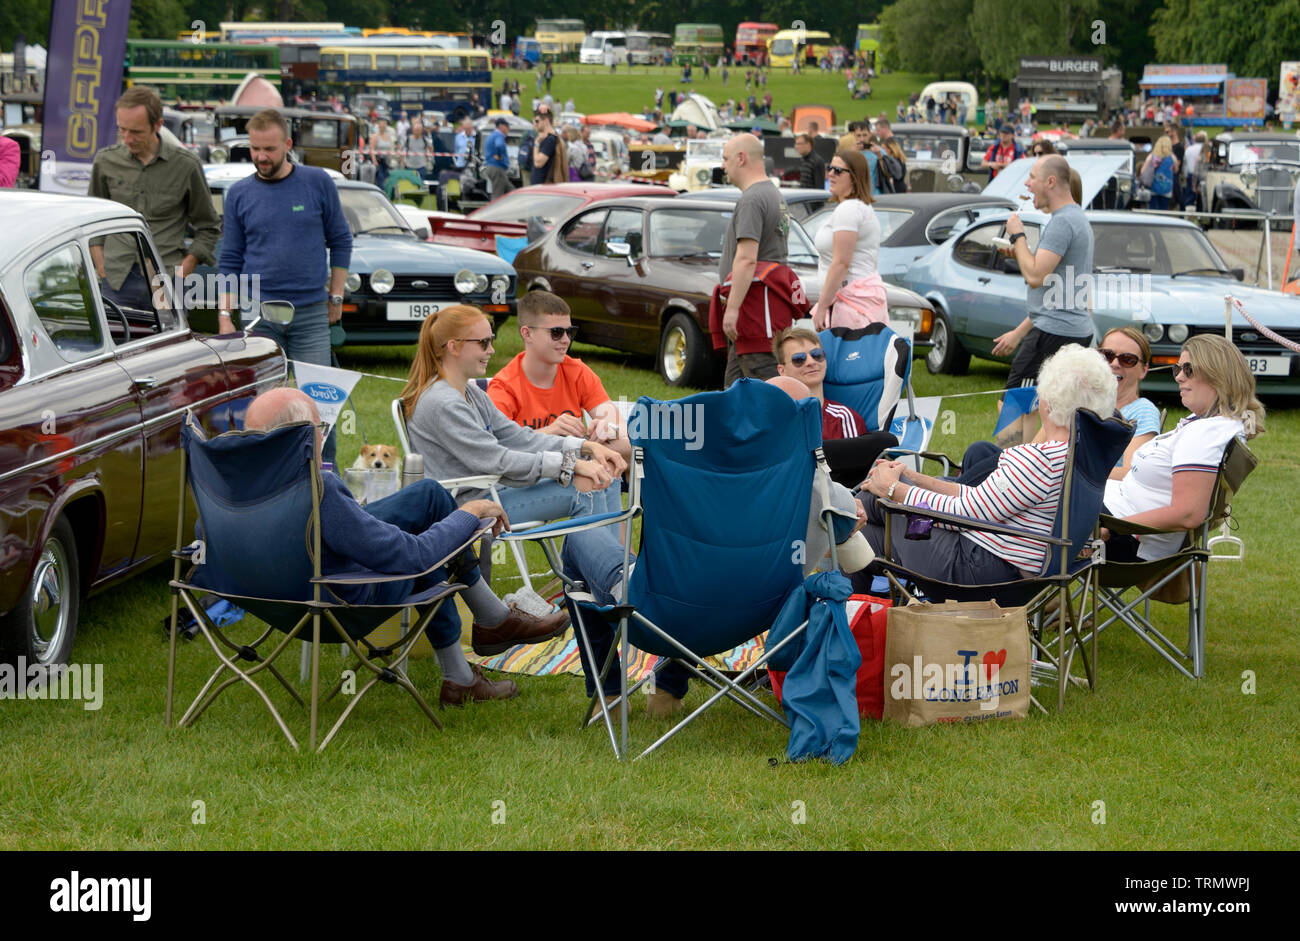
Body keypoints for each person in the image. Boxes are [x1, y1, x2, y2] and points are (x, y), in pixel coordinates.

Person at [558, 374, 872, 718]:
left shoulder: (689, 464)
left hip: (651, 615)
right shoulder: (827, 493)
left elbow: (636, 441)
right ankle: (665, 689)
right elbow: (847, 526)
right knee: (708, 576)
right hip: (757, 614)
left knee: (581, 538)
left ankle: (610, 696)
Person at [244, 388, 569, 705]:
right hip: (344, 599)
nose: (323, 437)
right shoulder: (319, 491)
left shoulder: (234, 493)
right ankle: (481, 638)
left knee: (428, 496)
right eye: (321, 429)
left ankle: (479, 643)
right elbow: (415, 557)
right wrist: (468, 515)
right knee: (433, 534)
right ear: (300, 437)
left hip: (279, 598)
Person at [858, 345, 1116, 588]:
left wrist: (894, 490)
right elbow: (981, 499)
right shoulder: (1081, 458)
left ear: (1047, 401)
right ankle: (861, 615)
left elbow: (962, 516)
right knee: (868, 536)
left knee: (873, 502)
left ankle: (842, 612)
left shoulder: (1039, 460)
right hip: (1016, 570)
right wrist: (914, 478)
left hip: (975, 569)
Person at [401, 305, 626, 530]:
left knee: (602, 474)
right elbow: (499, 460)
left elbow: (519, 438)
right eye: (483, 343)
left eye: (492, 340)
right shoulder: (444, 403)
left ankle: (615, 561)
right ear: (454, 347)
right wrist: (570, 464)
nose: (491, 351)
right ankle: (607, 564)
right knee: (589, 485)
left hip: (492, 489)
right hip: (466, 506)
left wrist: (586, 447)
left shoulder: (471, 393)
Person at [217, 109, 351, 465]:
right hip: (257, 317)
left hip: (310, 315)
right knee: (259, 406)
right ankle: (265, 479)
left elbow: (340, 240)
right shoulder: (239, 194)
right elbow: (229, 258)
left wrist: (335, 295)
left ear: (288, 145)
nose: (261, 157)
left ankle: (326, 480)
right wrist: (225, 315)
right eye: (255, 149)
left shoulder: (317, 182)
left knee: (323, 407)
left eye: (270, 149)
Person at [1103, 334, 1265, 562]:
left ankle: (1043, 594)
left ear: (1217, 375)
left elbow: (1188, 513)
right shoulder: (1209, 423)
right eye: (1178, 369)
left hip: (1124, 535)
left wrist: (1112, 528)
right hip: (1115, 514)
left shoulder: (1207, 433)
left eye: (1188, 369)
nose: (1178, 377)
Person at [89, 86, 220, 310]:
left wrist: (183, 271)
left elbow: (209, 227)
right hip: (116, 280)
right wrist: (100, 265)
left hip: (168, 280)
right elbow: (92, 220)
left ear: (158, 125)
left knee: (171, 347)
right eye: (122, 130)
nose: (128, 138)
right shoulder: (105, 162)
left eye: (136, 132)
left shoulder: (186, 165)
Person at [488, 291, 631, 464]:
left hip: (575, 467)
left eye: (570, 332)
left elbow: (620, 427)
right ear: (527, 334)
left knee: (628, 447)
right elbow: (494, 449)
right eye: (556, 332)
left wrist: (608, 427)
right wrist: (550, 432)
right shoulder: (504, 386)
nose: (566, 340)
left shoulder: (577, 371)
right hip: (532, 475)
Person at [993, 155, 1095, 389]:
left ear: (1050, 182)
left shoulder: (1062, 223)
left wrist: (1018, 235)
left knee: (1014, 407)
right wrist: (1021, 252)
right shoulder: (1075, 218)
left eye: (1031, 177)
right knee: (1048, 408)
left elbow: (1036, 277)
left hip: (1053, 331)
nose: (1027, 184)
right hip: (1068, 330)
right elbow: (1050, 280)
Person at [774, 326, 898, 488]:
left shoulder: (843, 417)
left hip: (835, 498)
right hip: (788, 491)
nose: (811, 362)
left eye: (817, 355)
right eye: (799, 359)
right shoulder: (776, 417)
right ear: (782, 370)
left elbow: (858, 474)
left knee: (885, 440)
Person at [715, 133, 793, 386]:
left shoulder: (752, 199)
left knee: (766, 392)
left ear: (741, 158)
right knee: (734, 395)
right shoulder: (772, 194)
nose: (722, 166)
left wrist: (733, 308)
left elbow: (747, 259)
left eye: (725, 159)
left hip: (754, 313)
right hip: (762, 313)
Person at [809, 150, 884, 331]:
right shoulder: (856, 208)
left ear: (854, 176)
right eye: (830, 168)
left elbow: (841, 263)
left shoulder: (849, 209)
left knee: (847, 359)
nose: (830, 174)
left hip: (852, 305)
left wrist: (822, 306)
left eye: (838, 170)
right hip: (854, 302)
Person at [1099, 327, 1162, 478]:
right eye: (1107, 355)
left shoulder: (1142, 411)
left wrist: (1069, 472)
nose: (1114, 363)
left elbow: (1131, 472)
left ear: (1143, 370)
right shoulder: (1080, 400)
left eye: (1127, 359)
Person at [528, 106, 566, 185]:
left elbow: (538, 163)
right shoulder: (547, 138)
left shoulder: (550, 139)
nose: (535, 124)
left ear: (546, 121)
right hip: (541, 187)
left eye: (537, 121)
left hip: (543, 188)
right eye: (534, 121)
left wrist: (537, 143)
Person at [1142, 136, 1176, 211]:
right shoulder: (1172, 157)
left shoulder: (1151, 156)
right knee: (1164, 210)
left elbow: (1143, 171)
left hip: (1153, 187)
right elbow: (1176, 170)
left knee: (1152, 209)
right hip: (1167, 188)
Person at [482, 117, 513, 197]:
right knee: (498, 195)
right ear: (501, 126)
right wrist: (499, 155)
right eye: (507, 126)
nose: (508, 129)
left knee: (511, 191)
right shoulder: (499, 135)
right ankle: (495, 209)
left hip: (492, 167)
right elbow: (499, 145)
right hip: (497, 168)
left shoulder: (492, 135)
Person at [400, 116, 434, 183]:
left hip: (421, 166)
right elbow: (400, 149)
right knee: (409, 183)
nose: (417, 131)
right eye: (416, 130)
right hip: (409, 165)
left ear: (421, 131)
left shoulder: (425, 140)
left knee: (420, 183)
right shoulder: (407, 139)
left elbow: (431, 148)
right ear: (413, 130)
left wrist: (428, 158)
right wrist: (403, 160)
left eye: (418, 130)